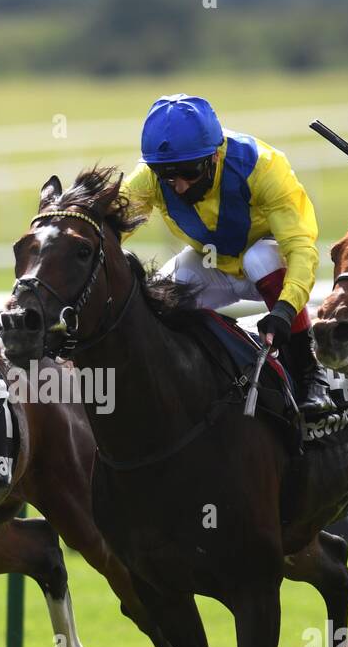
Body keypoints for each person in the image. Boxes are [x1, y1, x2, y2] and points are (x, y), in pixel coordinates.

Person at [120, 94, 333, 413]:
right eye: (167, 175)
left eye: (189, 171)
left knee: (258, 257)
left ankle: (309, 375)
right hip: (212, 264)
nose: (177, 186)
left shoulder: (262, 166)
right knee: (155, 301)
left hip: (271, 271)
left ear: (215, 156)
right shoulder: (150, 178)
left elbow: (300, 247)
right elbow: (106, 229)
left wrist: (286, 310)